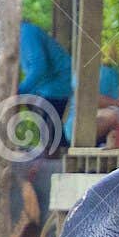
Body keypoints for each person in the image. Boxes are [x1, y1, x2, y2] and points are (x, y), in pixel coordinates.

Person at [19, 20, 72, 157]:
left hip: (56, 85)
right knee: (51, 131)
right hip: (46, 87)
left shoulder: (25, 32)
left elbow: (39, 67)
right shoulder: (22, 34)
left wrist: (19, 92)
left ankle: (61, 159)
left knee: (51, 132)